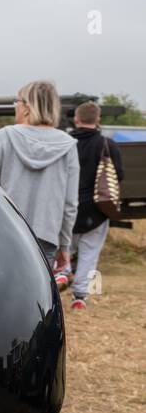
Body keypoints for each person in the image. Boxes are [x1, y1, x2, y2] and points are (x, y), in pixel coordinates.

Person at [0, 80, 79, 277]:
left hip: (6, 232)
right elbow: (70, 203)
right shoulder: (68, 145)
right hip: (46, 236)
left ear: (27, 106)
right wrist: (65, 245)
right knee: (39, 302)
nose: (16, 106)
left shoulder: (2, 137)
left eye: (17, 101)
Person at [67, 100, 124, 311]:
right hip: (97, 210)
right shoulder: (108, 145)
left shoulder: (65, 142)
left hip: (67, 210)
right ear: (97, 120)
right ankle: (80, 297)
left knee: (63, 250)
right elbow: (118, 176)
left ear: (76, 119)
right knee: (90, 254)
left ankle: (57, 282)